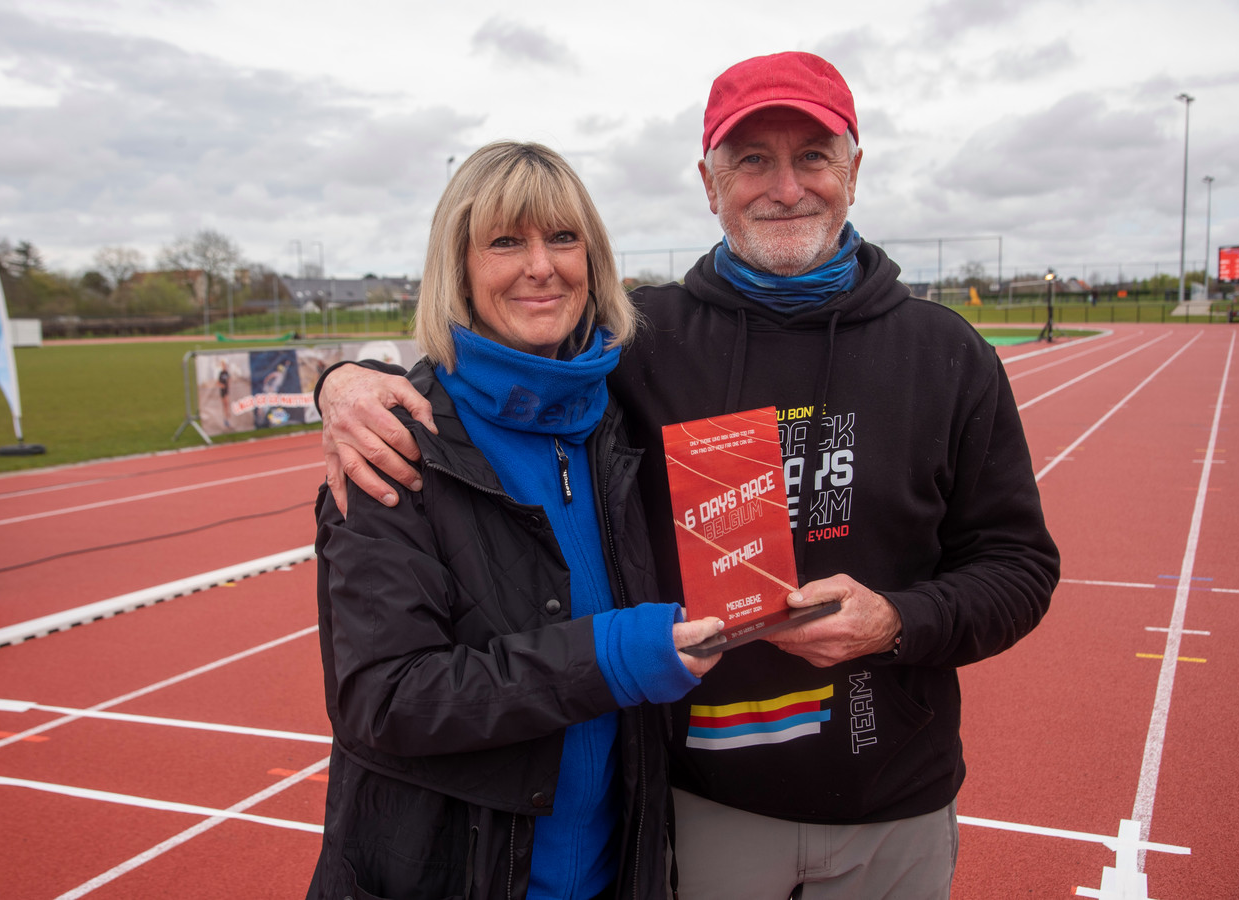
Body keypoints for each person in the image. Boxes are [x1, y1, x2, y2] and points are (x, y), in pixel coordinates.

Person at [315, 52, 1059, 900]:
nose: (786, 186)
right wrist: (347, 381)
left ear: (854, 172)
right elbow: (512, 361)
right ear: (709, 185)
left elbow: (1020, 567)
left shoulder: (947, 354)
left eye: (813, 155)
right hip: (697, 808)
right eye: (752, 160)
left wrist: (897, 620)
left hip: (892, 803)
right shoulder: (641, 345)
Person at [307, 141, 724, 900]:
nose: (542, 265)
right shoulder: (393, 442)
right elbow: (386, 699)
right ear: (457, 267)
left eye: (564, 239)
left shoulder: (622, 419)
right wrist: (615, 656)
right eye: (506, 241)